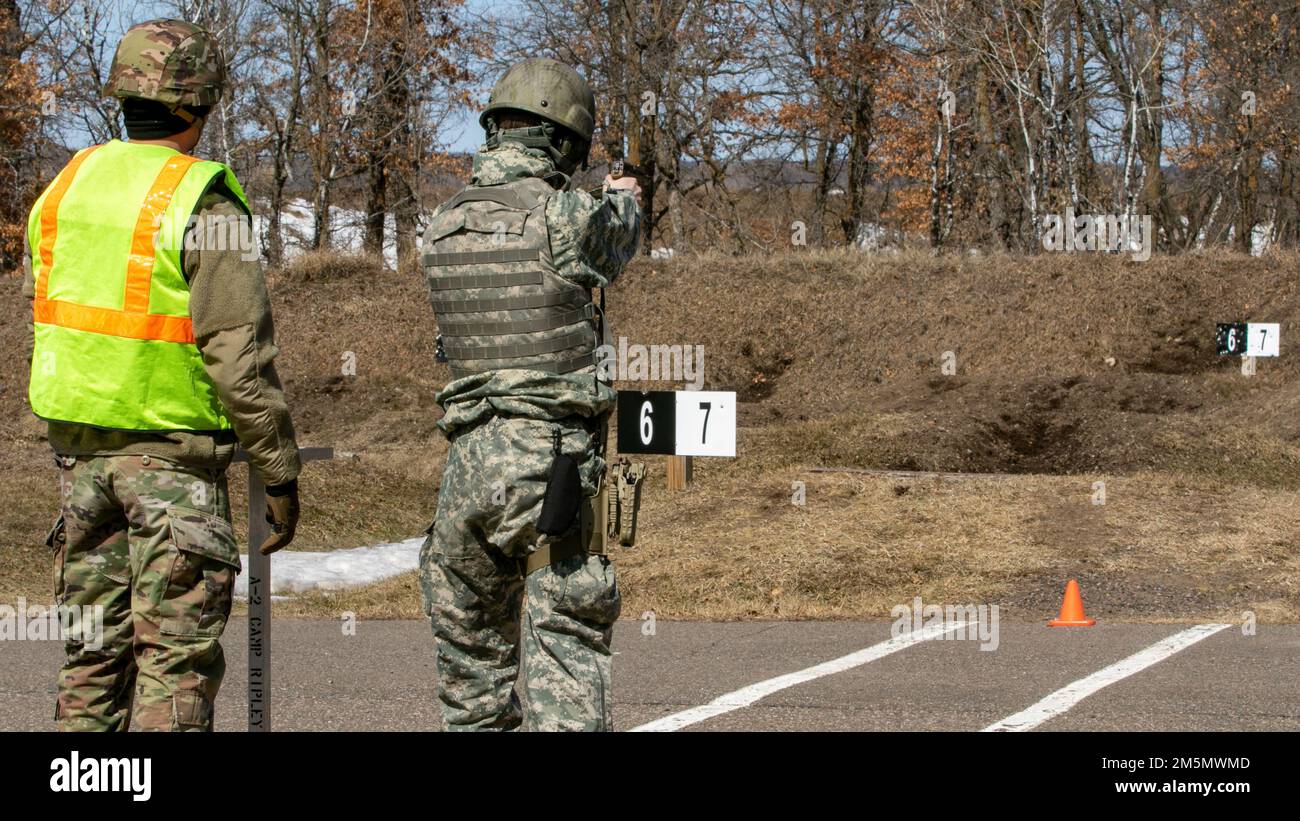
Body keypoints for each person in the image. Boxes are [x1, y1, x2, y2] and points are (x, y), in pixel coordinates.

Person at [24, 18, 301, 731]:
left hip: (80, 470)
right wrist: (278, 470)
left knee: (90, 662)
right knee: (173, 666)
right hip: (174, 474)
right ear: (203, 102)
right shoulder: (203, 198)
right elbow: (237, 354)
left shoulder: (67, 186)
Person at [419, 58, 642, 731]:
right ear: (565, 141)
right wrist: (625, 195)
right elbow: (617, 240)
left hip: (465, 471)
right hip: (552, 468)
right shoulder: (567, 214)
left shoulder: (443, 224)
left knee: (472, 684)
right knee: (566, 649)